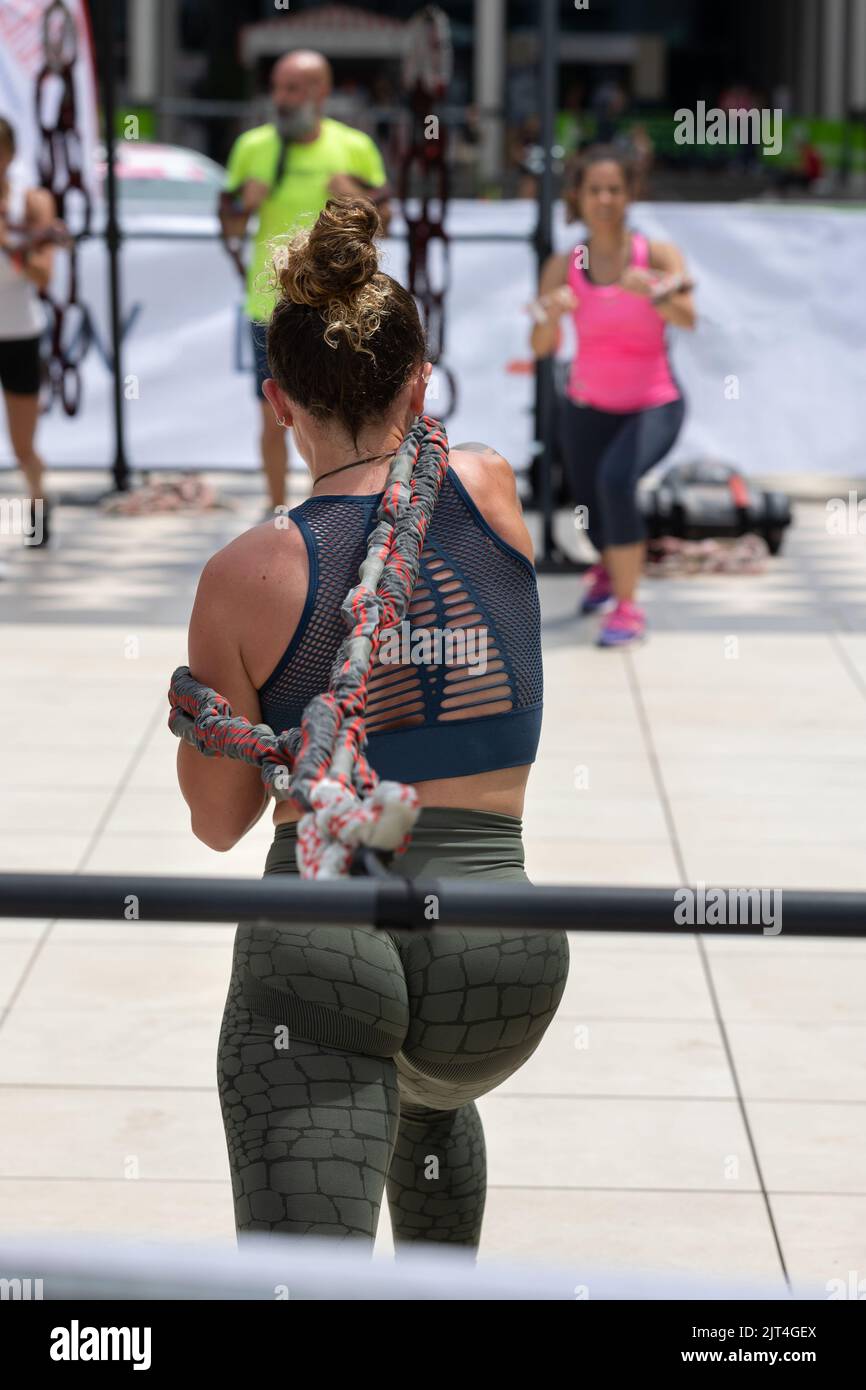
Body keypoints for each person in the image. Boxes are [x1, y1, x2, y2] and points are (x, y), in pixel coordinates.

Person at [177, 198, 569, 1248]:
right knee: (429, 1100)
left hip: (335, 935)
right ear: (419, 382)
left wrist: (216, 715)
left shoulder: (248, 572)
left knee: (304, 1269)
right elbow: (417, 484)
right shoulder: (488, 488)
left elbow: (218, 823)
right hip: (507, 955)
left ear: (277, 402)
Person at [530, 145, 696, 646]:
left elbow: (689, 318)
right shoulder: (567, 262)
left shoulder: (656, 254)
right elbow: (540, 347)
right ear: (577, 197)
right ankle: (607, 565)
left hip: (654, 402)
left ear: (630, 195)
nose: (605, 199)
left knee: (616, 481)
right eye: (594, 190)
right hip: (585, 406)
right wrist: (552, 315)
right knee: (586, 502)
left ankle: (627, 607)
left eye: (615, 190)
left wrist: (659, 294)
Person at [220, 50, 392, 515]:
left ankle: (343, 507)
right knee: (274, 413)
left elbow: (387, 223)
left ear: (320, 92)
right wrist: (244, 203)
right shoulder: (254, 147)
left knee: (346, 412)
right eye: (277, 87)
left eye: (292, 89)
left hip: (342, 305)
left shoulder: (354, 146)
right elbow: (229, 226)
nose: (280, 98)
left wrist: (353, 193)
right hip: (270, 305)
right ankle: (277, 511)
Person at [0, 116, 59, 547]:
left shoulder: (31, 202)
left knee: (23, 445)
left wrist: (7, 239)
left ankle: (38, 505)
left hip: (18, 331)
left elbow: (42, 275)